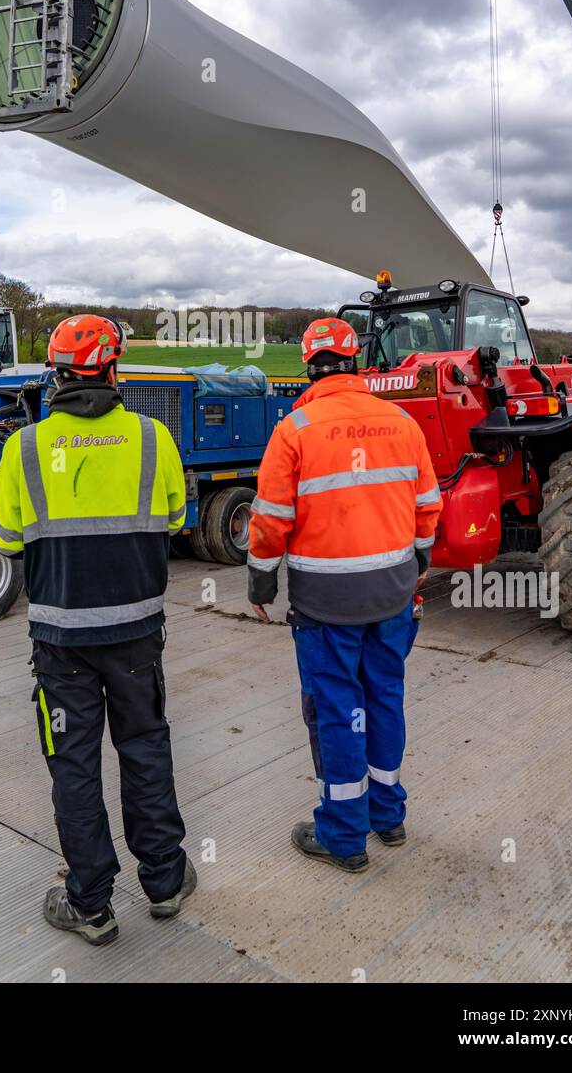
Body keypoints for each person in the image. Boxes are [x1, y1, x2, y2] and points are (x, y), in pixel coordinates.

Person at [0, 313, 196, 944]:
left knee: (74, 767)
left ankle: (91, 905)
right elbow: (178, 519)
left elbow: (2, 536)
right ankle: (164, 883)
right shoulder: (154, 438)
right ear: (112, 369)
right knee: (145, 748)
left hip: (60, 643)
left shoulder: (24, 448)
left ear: (56, 374)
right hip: (137, 636)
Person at [248, 317, 442, 871]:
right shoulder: (402, 422)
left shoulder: (296, 428)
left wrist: (261, 580)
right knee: (384, 698)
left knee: (337, 711)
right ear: (356, 361)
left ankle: (343, 835)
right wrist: (418, 561)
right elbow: (427, 506)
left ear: (309, 365)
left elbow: (270, 520)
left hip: (326, 603)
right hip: (393, 596)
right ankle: (388, 816)